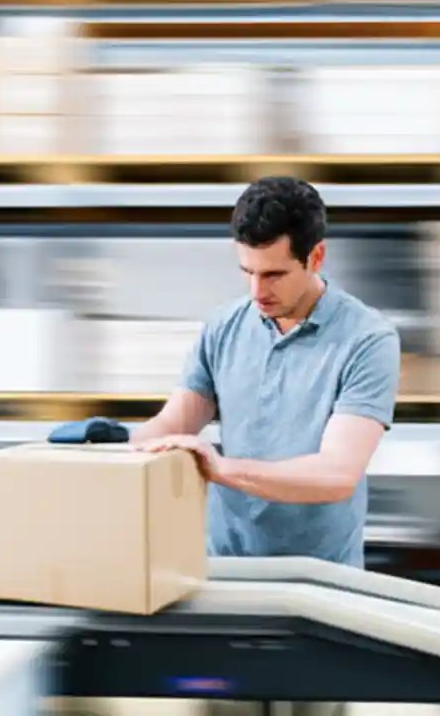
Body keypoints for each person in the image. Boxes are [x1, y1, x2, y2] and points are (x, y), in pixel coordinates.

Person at [131, 175, 401, 569]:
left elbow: (337, 473)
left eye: (274, 275)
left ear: (316, 257)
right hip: (224, 568)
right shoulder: (224, 326)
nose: (257, 291)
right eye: (248, 272)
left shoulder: (367, 339)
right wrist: (130, 453)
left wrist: (221, 469)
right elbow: (175, 421)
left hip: (320, 580)